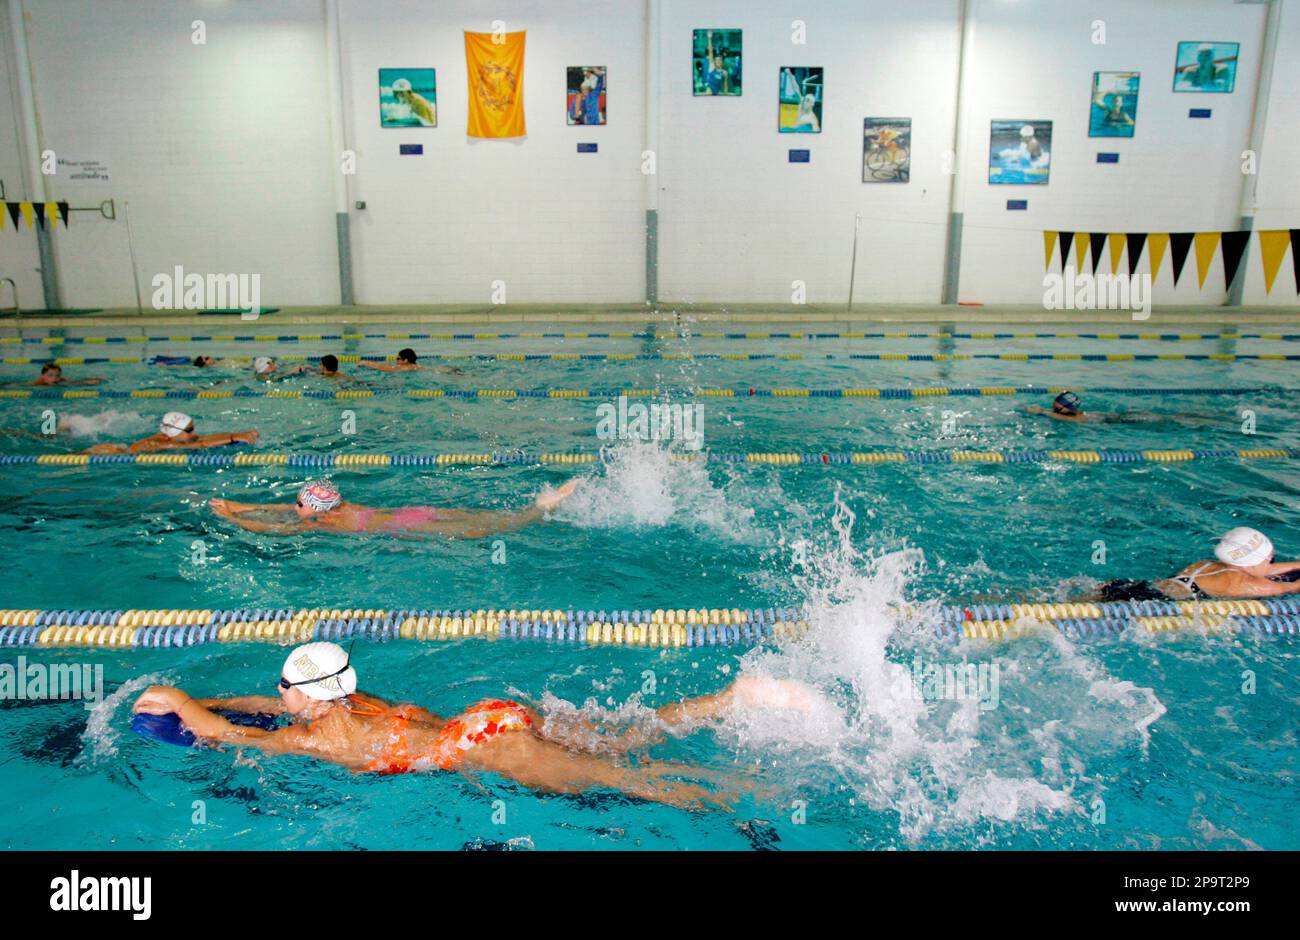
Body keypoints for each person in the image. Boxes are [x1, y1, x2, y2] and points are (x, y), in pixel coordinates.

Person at [131, 642, 813, 810]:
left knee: (637, 784)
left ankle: (753, 800)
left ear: (308, 700)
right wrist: (231, 696)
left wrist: (175, 696)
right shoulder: (353, 704)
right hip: (490, 719)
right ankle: (731, 697)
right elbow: (267, 703)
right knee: (619, 739)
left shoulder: (312, 736)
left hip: (488, 751)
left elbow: (232, 735)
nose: (276, 696)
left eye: (285, 688)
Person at [209, 478, 577, 537]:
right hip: (417, 511)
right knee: (483, 518)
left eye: (300, 504)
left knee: (484, 530)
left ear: (319, 510)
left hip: (411, 528)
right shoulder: (339, 507)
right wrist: (241, 505)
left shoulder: (320, 525)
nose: (293, 507)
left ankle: (538, 511)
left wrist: (234, 521)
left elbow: (278, 528)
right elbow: (282, 508)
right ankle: (543, 502)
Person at [1094, 527, 1300, 602]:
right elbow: (1289, 587)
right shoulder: (1244, 583)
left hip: (1135, 587)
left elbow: (1261, 569)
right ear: (1254, 561)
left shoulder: (1208, 564)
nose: (1273, 564)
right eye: (1271, 559)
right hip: (1152, 601)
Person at [84, 411, 258, 454]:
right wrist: (234, 437)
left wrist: (238, 433)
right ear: (174, 432)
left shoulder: (172, 435)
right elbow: (200, 444)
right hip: (114, 454)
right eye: (189, 429)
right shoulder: (163, 443)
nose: (194, 432)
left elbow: (203, 438)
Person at [356, 348, 462, 375]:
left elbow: (383, 367)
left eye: (398, 358)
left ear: (405, 360)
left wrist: (365, 362)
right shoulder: (417, 366)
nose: (396, 360)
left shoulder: (403, 367)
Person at [1, 363, 103, 387]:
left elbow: (74, 382)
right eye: (50, 375)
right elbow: (18, 385)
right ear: (43, 376)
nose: (54, 378)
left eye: (57, 375)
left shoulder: (60, 380)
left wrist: (89, 381)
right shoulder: (39, 382)